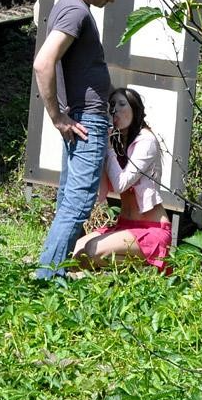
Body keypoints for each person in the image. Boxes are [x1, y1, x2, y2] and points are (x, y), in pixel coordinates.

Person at [32, 0, 126, 280]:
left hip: (85, 116)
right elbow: (43, 63)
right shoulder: (75, 11)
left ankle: (53, 272)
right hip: (86, 120)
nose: (110, 1)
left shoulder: (72, 5)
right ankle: (47, 277)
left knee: (69, 200)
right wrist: (58, 117)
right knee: (79, 203)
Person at [73, 87, 172, 275]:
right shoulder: (121, 143)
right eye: (111, 105)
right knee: (75, 253)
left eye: (121, 104)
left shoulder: (146, 141)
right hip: (124, 226)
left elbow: (121, 183)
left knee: (93, 250)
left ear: (136, 109)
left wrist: (108, 147)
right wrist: (100, 145)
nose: (115, 110)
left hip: (151, 229)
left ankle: (141, 271)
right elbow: (102, 193)